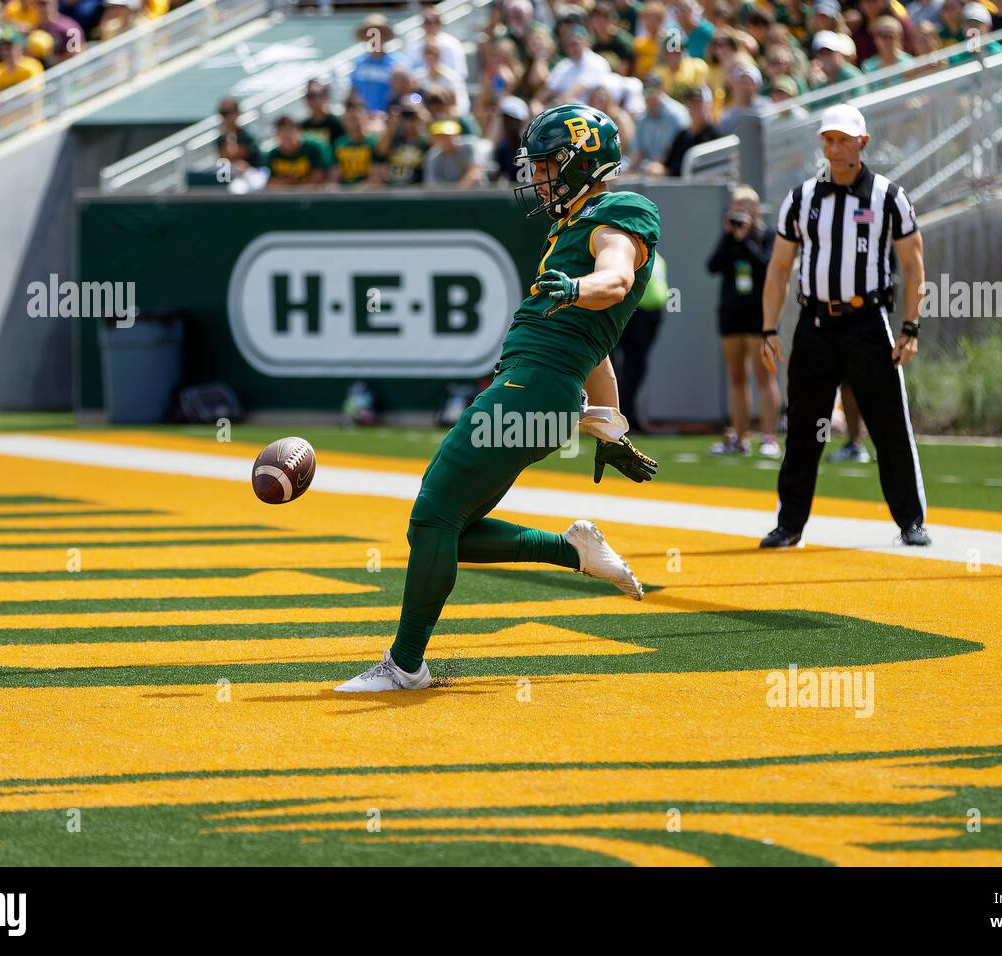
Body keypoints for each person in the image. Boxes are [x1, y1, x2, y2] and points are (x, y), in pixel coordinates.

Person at [334, 104, 660, 692]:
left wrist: (579, 286)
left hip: (530, 391)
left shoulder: (618, 214)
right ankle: (574, 551)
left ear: (579, 160)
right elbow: (597, 351)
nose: (536, 178)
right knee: (446, 526)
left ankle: (406, 665)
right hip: (535, 388)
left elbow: (612, 279)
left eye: (545, 165)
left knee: (433, 515)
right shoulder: (575, 223)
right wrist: (611, 426)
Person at [759, 104, 930, 548]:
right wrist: (768, 329)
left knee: (889, 424)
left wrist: (910, 327)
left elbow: (914, 265)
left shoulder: (889, 196)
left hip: (867, 322)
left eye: (842, 140)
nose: (834, 149)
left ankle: (911, 520)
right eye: (828, 140)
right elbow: (779, 268)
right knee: (802, 427)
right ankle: (789, 523)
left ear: (863, 142)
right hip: (815, 324)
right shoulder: (801, 198)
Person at [708, 186, 780, 457]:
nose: (740, 213)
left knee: (763, 375)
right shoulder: (729, 237)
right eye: (736, 207)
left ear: (756, 210)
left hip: (758, 313)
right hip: (731, 311)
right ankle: (739, 437)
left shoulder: (767, 235)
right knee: (736, 376)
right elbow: (712, 266)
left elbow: (767, 267)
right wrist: (731, 237)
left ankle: (769, 437)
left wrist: (747, 239)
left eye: (745, 207)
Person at [613, 250, 669, 433]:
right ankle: (624, 416)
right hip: (636, 314)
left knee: (638, 367)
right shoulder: (632, 250)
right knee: (631, 367)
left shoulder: (655, 255)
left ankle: (631, 415)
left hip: (652, 315)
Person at [266, 114, 330, 189]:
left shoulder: (313, 147)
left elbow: (320, 175)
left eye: (289, 133)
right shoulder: (273, 154)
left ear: (299, 131)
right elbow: (271, 183)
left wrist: (294, 188)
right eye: (282, 135)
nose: (287, 138)